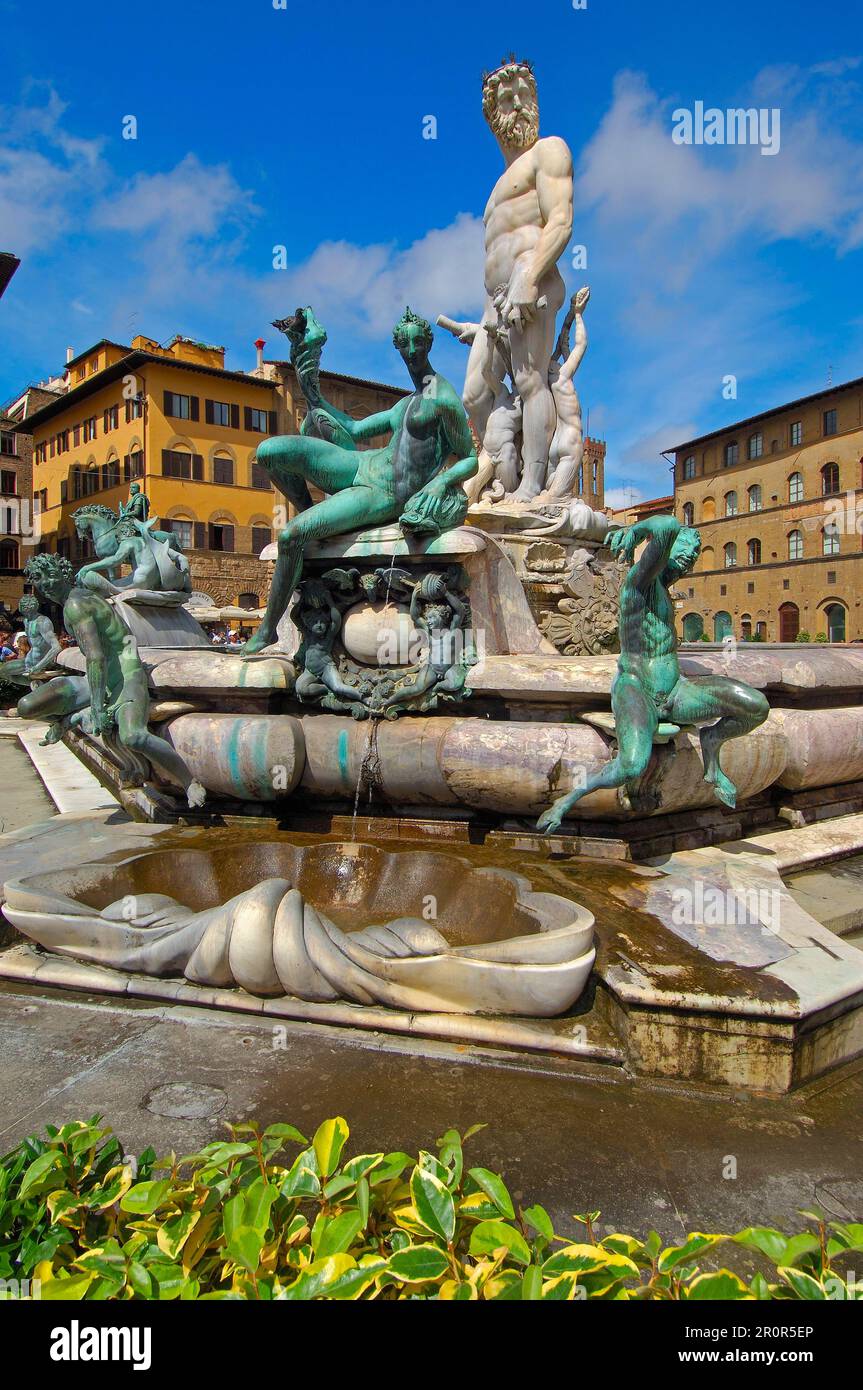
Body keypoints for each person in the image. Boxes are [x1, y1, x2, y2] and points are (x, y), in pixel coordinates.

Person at [243, 307, 477, 655]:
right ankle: (313, 520)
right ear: (398, 349)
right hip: (361, 464)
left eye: (417, 344)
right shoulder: (406, 403)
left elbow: (470, 457)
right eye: (404, 345)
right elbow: (354, 430)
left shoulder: (442, 397)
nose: (411, 352)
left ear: (428, 345)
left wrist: (439, 484)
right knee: (269, 451)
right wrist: (314, 392)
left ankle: (267, 631)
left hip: (383, 492)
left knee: (290, 535)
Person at [537, 515, 770, 834]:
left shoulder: (663, 588)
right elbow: (667, 527)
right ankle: (567, 799)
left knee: (756, 706)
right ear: (663, 553)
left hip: (676, 692)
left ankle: (712, 739)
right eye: (684, 550)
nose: (689, 558)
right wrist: (636, 531)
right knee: (633, 765)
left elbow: (671, 538)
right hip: (637, 690)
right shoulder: (640, 584)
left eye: (695, 554)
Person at [460, 58, 574, 502]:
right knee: (474, 394)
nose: (519, 105)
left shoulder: (550, 151)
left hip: (534, 281)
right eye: (507, 100)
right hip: (494, 303)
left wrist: (530, 274)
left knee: (530, 383)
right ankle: (504, 473)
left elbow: (561, 220)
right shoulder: (493, 191)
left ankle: (533, 484)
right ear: (493, 117)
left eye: (526, 96)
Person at [18, 553, 206, 807]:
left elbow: (96, 657)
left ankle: (189, 781)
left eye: (48, 577)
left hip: (127, 677)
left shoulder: (76, 605)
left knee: (134, 737)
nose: (44, 585)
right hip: (97, 681)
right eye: (39, 581)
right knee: (27, 706)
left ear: (61, 574)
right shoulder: (75, 600)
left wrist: (97, 707)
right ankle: (71, 719)